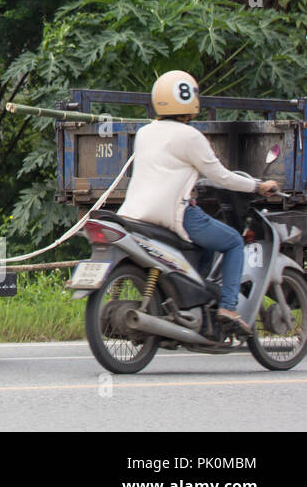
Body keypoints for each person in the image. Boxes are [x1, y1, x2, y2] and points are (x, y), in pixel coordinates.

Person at [117, 70, 278, 334]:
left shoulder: (144, 133)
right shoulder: (190, 136)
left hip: (135, 215)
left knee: (206, 246)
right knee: (233, 241)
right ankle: (227, 307)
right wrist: (258, 186)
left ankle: (194, 298)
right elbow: (222, 176)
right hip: (175, 215)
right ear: (189, 99)